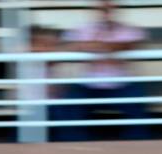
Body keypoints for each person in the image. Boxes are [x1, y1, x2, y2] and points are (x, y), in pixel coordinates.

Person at [52, 0, 150, 141]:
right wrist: (109, 47)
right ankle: (75, 149)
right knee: (68, 108)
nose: (106, 12)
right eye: (103, 8)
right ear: (96, 10)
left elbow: (132, 43)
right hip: (88, 85)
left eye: (109, 8)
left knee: (138, 110)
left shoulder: (128, 29)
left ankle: (137, 150)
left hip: (121, 84)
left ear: (116, 9)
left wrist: (94, 46)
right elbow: (70, 45)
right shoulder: (84, 28)